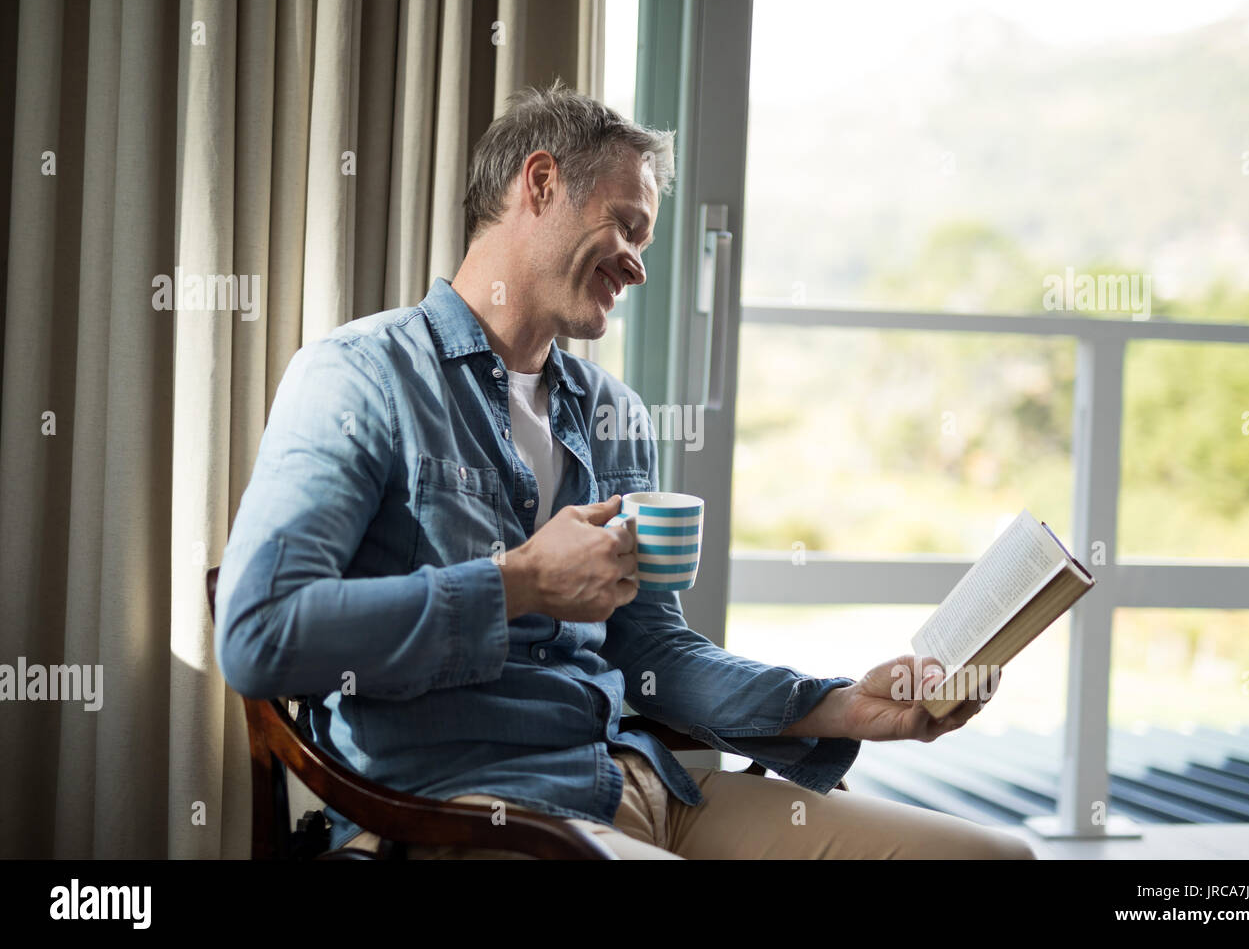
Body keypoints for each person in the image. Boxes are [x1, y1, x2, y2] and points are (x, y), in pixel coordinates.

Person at [215, 81, 1034, 860]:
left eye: (646, 240)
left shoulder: (614, 415)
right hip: (470, 809)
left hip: (635, 781)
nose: (639, 265)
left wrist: (847, 706)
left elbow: (654, 653)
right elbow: (260, 634)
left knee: (997, 855)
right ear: (540, 182)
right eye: (626, 227)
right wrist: (518, 583)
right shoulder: (360, 376)